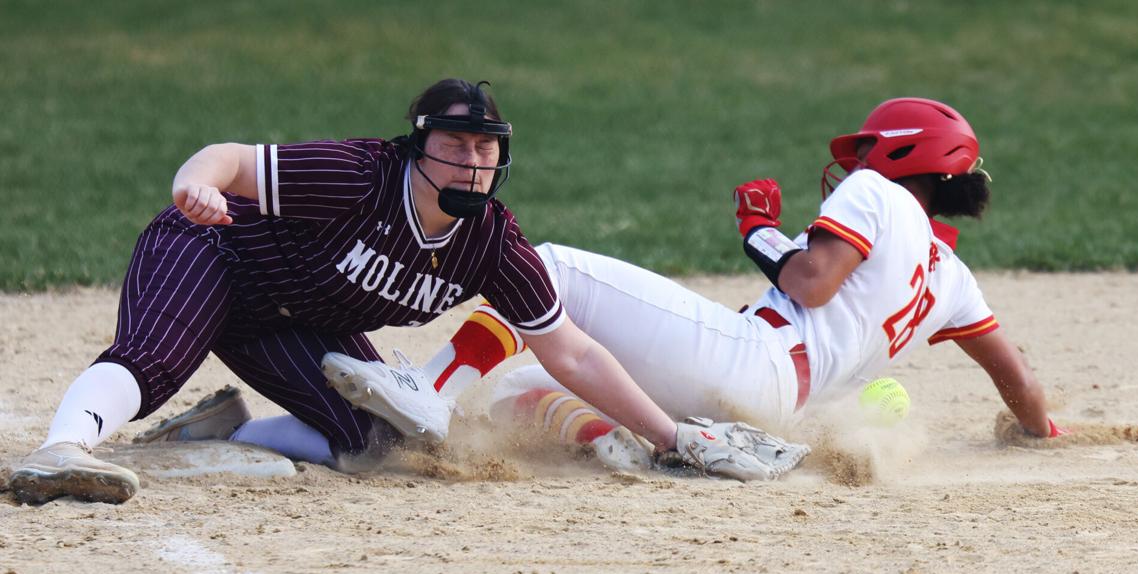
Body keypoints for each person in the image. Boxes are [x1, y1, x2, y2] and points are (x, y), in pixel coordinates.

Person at [6, 78, 803, 505]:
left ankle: (215, 433)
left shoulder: (490, 238)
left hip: (289, 317)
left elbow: (570, 348)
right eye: (456, 145)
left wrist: (670, 437)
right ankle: (62, 450)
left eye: (487, 148)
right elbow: (227, 157)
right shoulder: (359, 175)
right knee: (152, 358)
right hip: (211, 252)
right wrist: (194, 188)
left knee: (380, 444)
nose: (473, 163)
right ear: (419, 147)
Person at [393, 96, 1066, 465]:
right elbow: (1021, 384)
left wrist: (756, 231)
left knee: (549, 268)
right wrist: (1038, 431)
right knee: (525, 384)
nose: (855, 161)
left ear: (899, 154)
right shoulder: (953, 279)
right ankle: (615, 443)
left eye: (867, 148)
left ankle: (427, 390)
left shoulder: (876, 193)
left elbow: (810, 283)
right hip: (770, 409)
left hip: (752, 361)